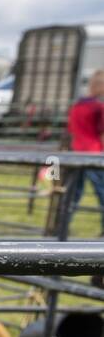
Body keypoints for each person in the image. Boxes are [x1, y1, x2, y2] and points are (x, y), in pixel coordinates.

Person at [66, 70, 104, 235]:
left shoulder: (76, 106)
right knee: (102, 192)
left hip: (76, 152)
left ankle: (62, 227)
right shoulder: (99, 107)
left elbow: (71, 130)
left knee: (73, 192)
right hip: (93, 154)